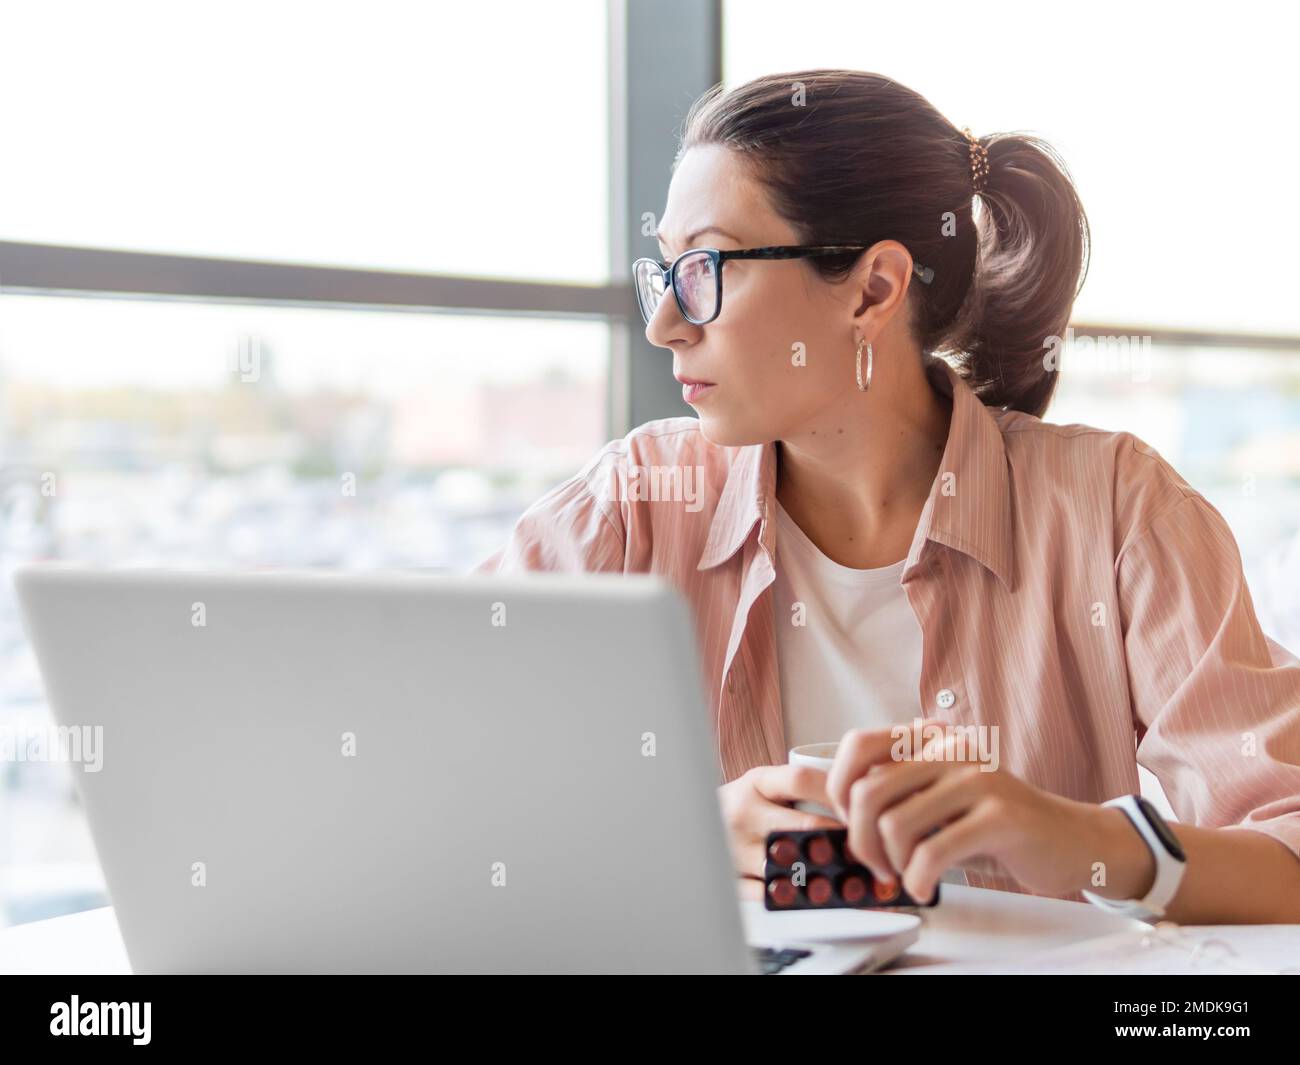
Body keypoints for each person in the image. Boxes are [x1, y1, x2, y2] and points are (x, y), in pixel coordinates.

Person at [475, 69, 1300, 923]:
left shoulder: (1118, 511)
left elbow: (1292, 846)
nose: (666, 324)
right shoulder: (634, 505)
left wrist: (1072, 836)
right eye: (667, 273)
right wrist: (678, 829)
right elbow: (429, 768)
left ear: (873, 290)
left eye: (707, 267)